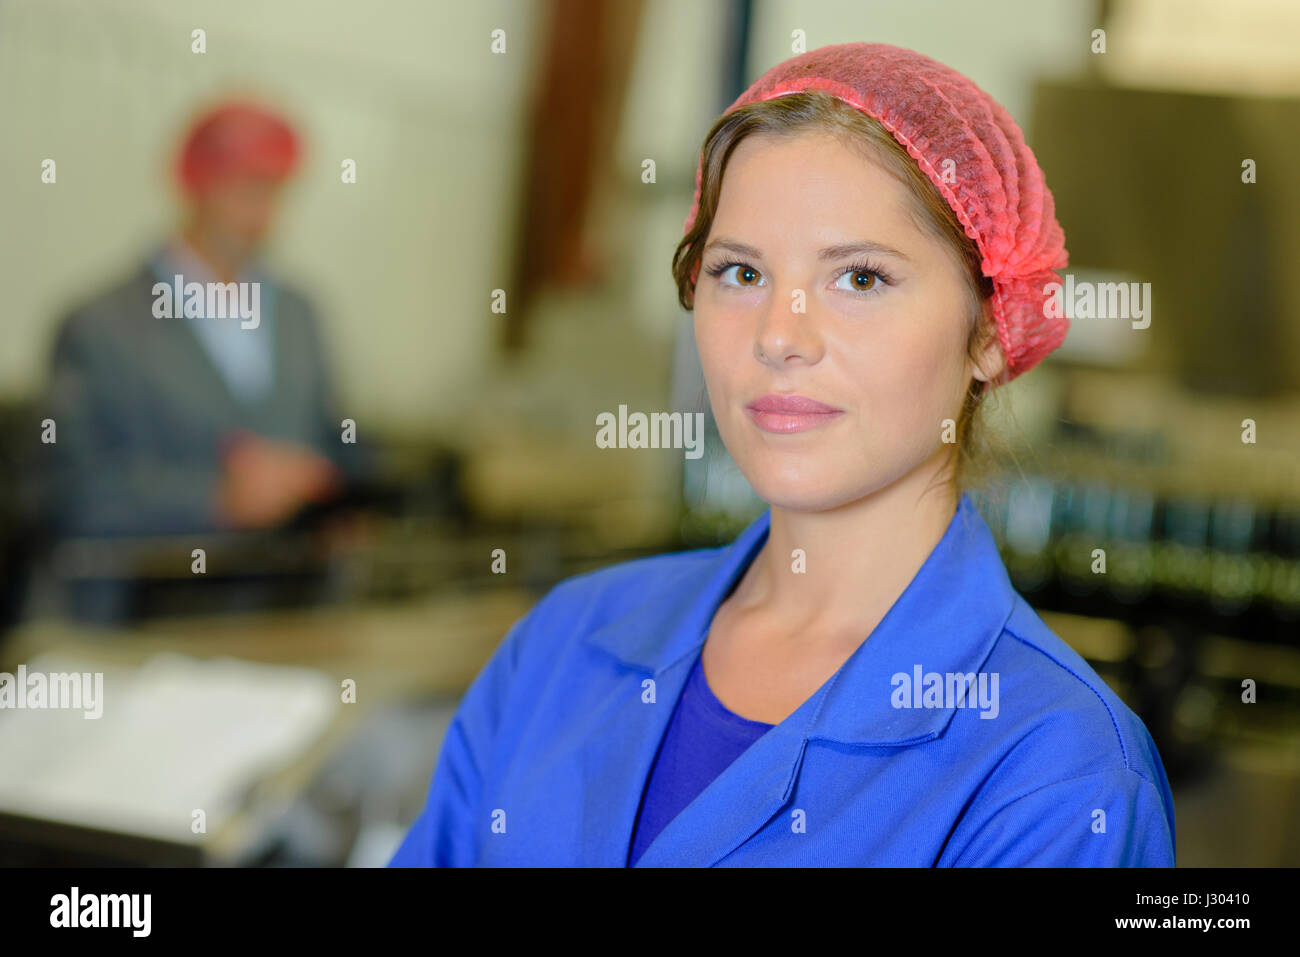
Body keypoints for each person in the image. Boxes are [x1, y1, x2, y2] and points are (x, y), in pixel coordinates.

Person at [390, 43, 1176, 867]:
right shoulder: (565, 646)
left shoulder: (1056, 778)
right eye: (739, 271)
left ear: (987, 326)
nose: (777, 336)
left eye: (861, 278)